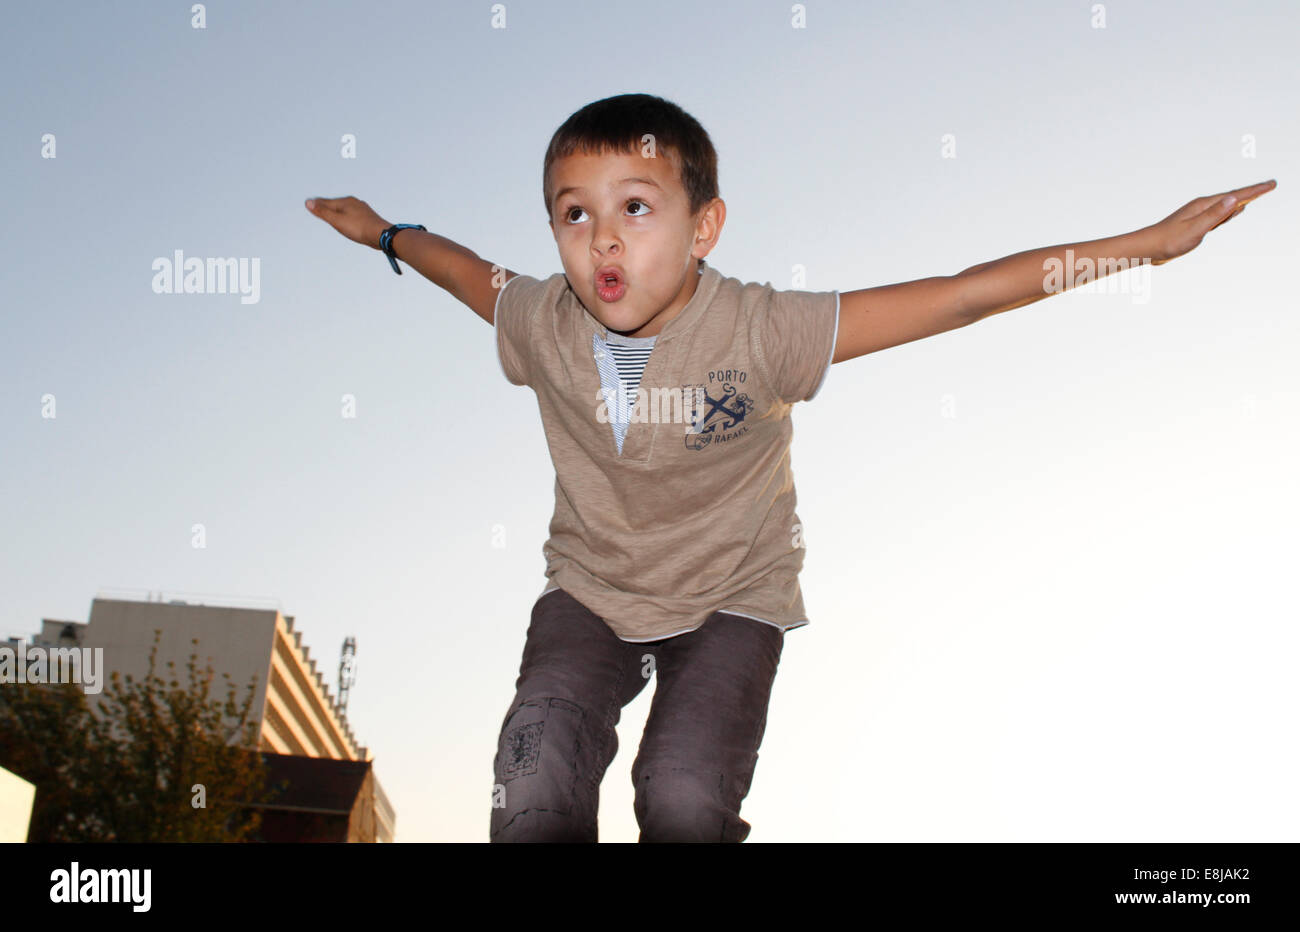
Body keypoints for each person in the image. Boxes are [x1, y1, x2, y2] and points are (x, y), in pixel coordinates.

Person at [306, 93, 1275, 842]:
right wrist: (382, 230)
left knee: (682, 794)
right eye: (573, 213)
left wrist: (1144, 247)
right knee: (532, 781)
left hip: (733, 595)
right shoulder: (538, 318)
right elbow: (457, 265)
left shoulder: (766, 329)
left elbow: (959, 297)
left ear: (703, 227)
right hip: (591, 590)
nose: (601, 236)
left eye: (635, 208)